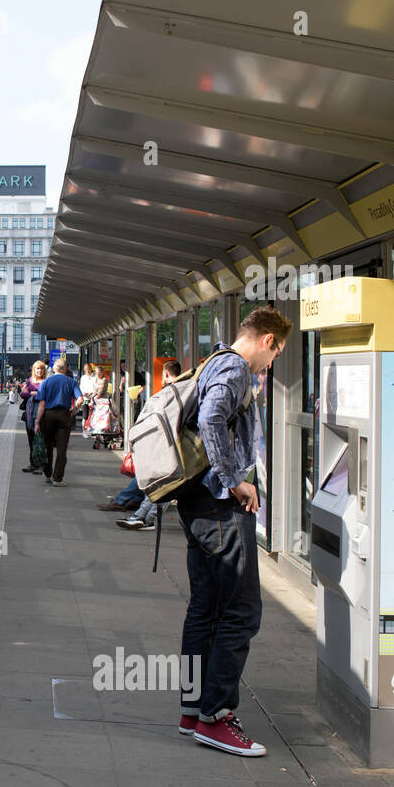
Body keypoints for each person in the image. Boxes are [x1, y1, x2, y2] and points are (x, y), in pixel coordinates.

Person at [176, 306, 291, 756]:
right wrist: (234, 480)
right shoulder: (237, 369)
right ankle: (216, 716)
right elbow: (210, 419)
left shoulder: (214, 361)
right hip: (220, 508)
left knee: (204, 608)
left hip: (197, 505)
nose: (273, 362)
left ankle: (192, 709)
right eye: (277, 352)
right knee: (242, 611)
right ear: (267, 340)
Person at [116, 359, 183, 529]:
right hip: (174, 447)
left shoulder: (169, 393)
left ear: (166, 374)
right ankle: (141, 516)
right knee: (160, 485)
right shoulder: (185, 391)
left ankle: (147, 518)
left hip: (168, 448)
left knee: (163, 486)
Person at [32, 357, 83, 487]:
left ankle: (47, 473)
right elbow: (81, 399)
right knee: (62, 449)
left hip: (48, 415)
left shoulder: (46, 382)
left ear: (54, 369)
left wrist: (37, 422)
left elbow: (42, 404)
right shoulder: (71, 382)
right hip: (64, 415)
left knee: (48, 445)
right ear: (66, 369)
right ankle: (57, 478)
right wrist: (73, 411)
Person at [19, 361, 47, 474]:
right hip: (29, 413)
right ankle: (33, 463)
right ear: (34, 370)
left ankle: (41, 465)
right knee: (31, 439)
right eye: (37, 369)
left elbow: (45, 395)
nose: (39, 371)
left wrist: (32, 392)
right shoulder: (30, 380)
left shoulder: (46, 382)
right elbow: (22, 394)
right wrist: (32, 393)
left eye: (41, 369)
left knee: (40, 440)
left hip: (41, 413)